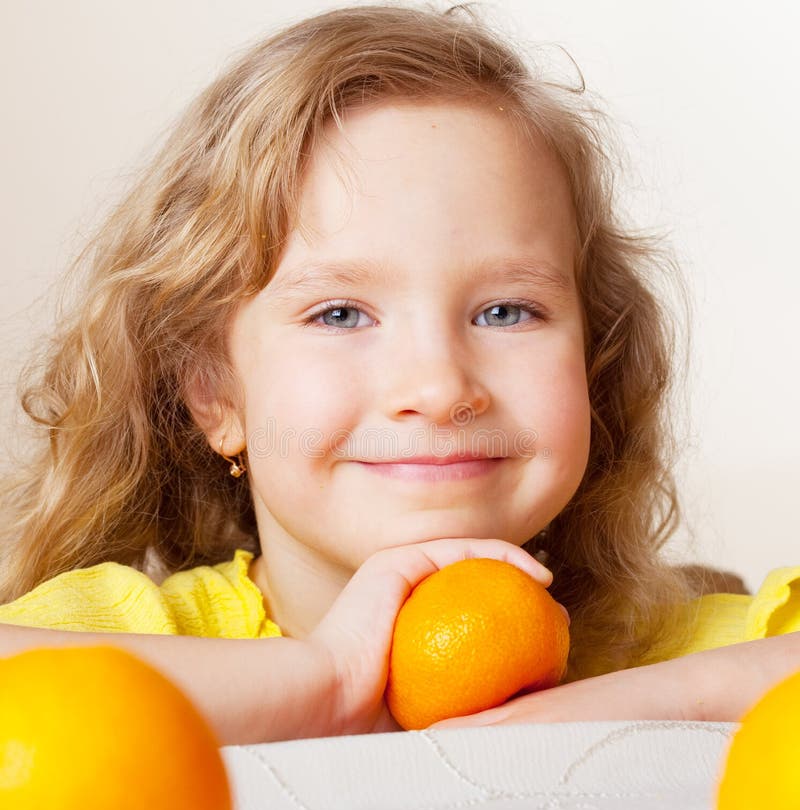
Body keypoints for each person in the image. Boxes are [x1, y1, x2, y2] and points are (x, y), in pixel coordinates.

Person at [1, 4, 798, 744]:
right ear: (214, 392)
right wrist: (322, 681)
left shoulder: (656, 647)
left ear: (595, 360)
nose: (440, 387)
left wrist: (654, 706)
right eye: (341, 314)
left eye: (506, 311)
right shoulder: (131, 639)